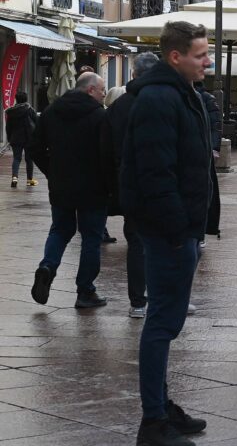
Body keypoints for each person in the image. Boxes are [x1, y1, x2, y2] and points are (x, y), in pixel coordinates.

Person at [121, 22, 212, 446]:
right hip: (168, 232)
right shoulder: (160, 99)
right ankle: (153, 422)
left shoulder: (178, 93)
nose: (207, 61)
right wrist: (179, 230)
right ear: (176, 57)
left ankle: (161, 406)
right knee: (161, 323)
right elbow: (156, 172)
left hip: (180, 229)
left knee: (167, 322)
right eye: (200, 55)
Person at [28, 72, 109, 309]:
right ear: (90, 90)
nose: (104, 94)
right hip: (93, 189)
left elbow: (35, 147)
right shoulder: (99, 116)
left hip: (61, 185)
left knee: (60, 230)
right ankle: (85, 291)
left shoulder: (52, 111)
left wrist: (52, 171)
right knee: (91, 239)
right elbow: (107, 154)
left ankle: (47, 266)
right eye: (102, 89)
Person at [101, 52, 161, 319]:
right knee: (165, 243)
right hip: (161, 184)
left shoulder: (119, 105)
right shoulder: (166, 101)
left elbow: (105, 147)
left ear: (134, 75)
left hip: (129, 185)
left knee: (136, 242)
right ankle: (164, 297)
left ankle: (138, 301)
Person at [195, 82, 221, 243]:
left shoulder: (204, 99)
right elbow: (216, 125)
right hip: (204, 151)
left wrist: (214, 146)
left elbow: (214, 126)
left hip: (203, 151)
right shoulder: (207, 99)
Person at [5, 91, 38, 188]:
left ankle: (14, 178)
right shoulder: (30, 109)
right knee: (29, 159)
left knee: (16, 158)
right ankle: (29, 180)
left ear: (16, 99)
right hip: (29, 138)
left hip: (15, 138)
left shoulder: (12, 112)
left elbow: (8, 127)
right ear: (26, 99)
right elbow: (37, 122)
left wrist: (9, 138)